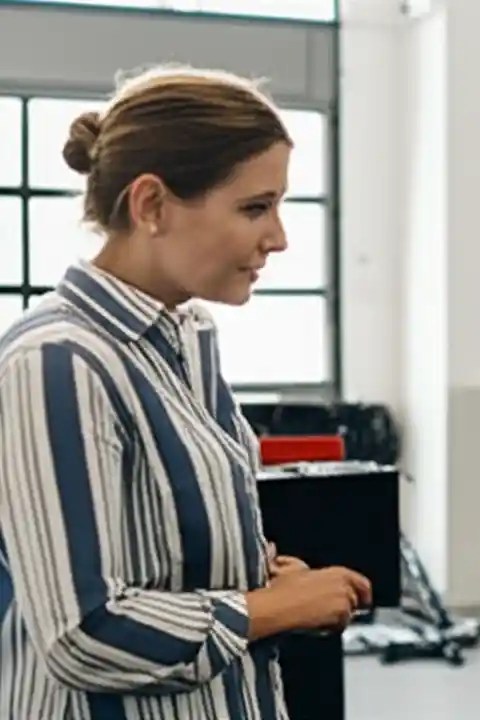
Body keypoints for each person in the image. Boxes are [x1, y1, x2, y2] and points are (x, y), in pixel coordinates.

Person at [0, 66, 372, 720]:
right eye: (254, 207)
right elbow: (84, 633)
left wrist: (273, 579)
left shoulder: (187, 337)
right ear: (151, 206)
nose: (278, 237)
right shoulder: (58, 361)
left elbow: (170, 554)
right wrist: (269, 608)